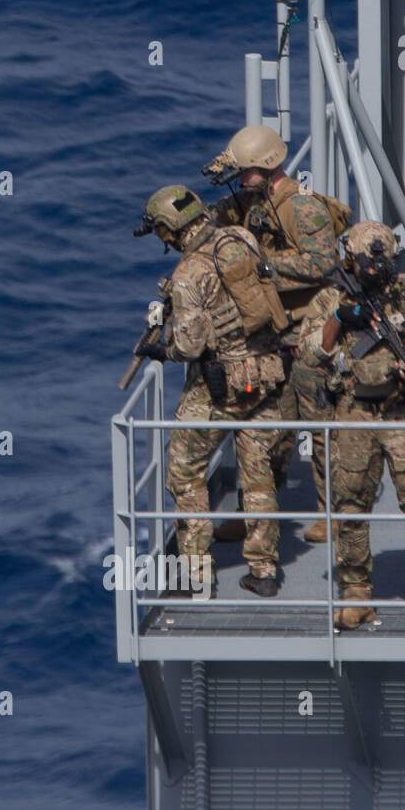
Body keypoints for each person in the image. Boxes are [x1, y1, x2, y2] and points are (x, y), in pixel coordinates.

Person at [300, 221, 405, 636]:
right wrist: (340, 317)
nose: (375, 268)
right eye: (366, 260)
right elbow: (311, 352)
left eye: (381, 259)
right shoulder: (332, 297)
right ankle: (356, 597)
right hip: (353, 411)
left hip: (402, 409)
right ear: (350, 259)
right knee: (350, 508)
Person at [134, 185, 288, 597]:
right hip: (267, 374)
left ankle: (196, 574)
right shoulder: (241, 238)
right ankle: (264, 570)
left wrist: (160, 350)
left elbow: (190, 346)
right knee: (258, 477)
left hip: (220, 389)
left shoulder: (188, 275)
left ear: (169, 229)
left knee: (184, 475)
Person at [205, 124, 350, 542]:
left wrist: (264, 264)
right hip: (274, 330)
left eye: (246, 171)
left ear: (267, 167)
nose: (242, 179)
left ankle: (333, 513)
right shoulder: (253, 203)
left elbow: (322, 263)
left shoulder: (302, 209)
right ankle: (254, 512)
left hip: (309, 328)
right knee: (267, 426)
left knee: (321, 424)